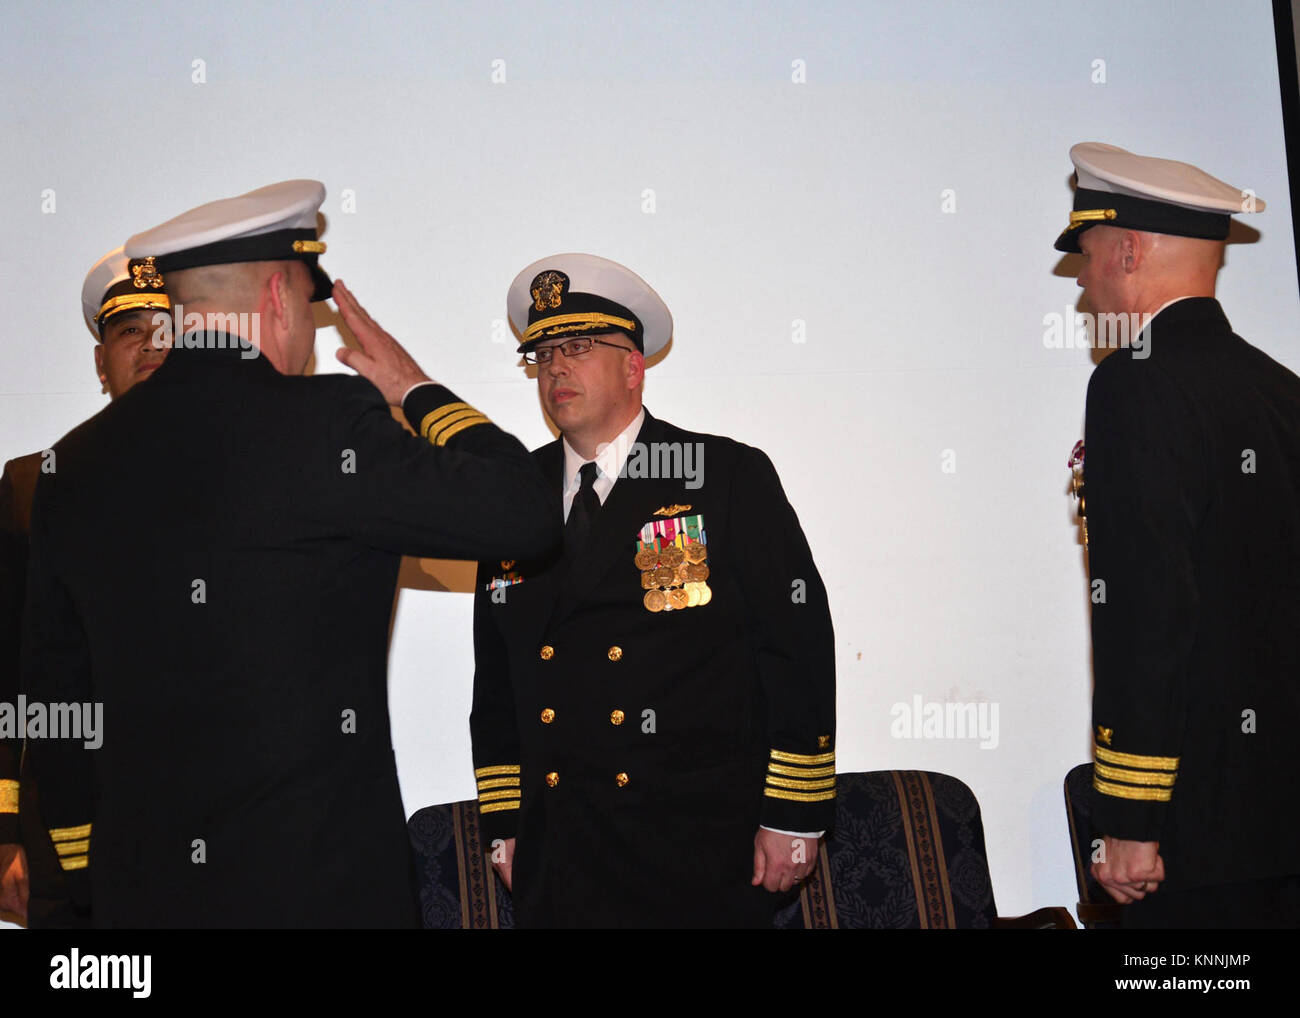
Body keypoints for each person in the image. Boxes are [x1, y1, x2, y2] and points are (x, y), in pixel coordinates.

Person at [22, 180, 559, 927]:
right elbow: (527, 515)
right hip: (319, 894)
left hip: (138, 901)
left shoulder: (69, 468)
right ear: (278, 296)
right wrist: (417, 391)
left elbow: (56, 697)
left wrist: (86, 872)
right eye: (309, 307)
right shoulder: (327, 427)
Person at [466, 253, 836, 927]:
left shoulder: (721, 475)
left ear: (633, 366)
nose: (555, 369)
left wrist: (794, 812)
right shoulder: (513, 495)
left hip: (695, 849)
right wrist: (506, 822)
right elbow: (495, 685)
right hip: (562, 851)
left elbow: (797, 647)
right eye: (542, 355)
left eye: (577, 347)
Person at [1059, 142, 1300, 927]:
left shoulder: (1135, 382)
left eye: (1088, 258)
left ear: (1128, 249)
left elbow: (1146, 616)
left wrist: (1130, 820)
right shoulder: (1280, 389)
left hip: (1197, 836)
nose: (1085, 290)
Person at [1, 247, 172, 927]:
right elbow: (6, 670)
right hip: (64, 828)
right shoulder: (30, 489)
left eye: (167, 329)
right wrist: (4, 828)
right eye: (130, 332)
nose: (151, 345)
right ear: (101, 364)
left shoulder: (241, 480)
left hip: (211, 831)